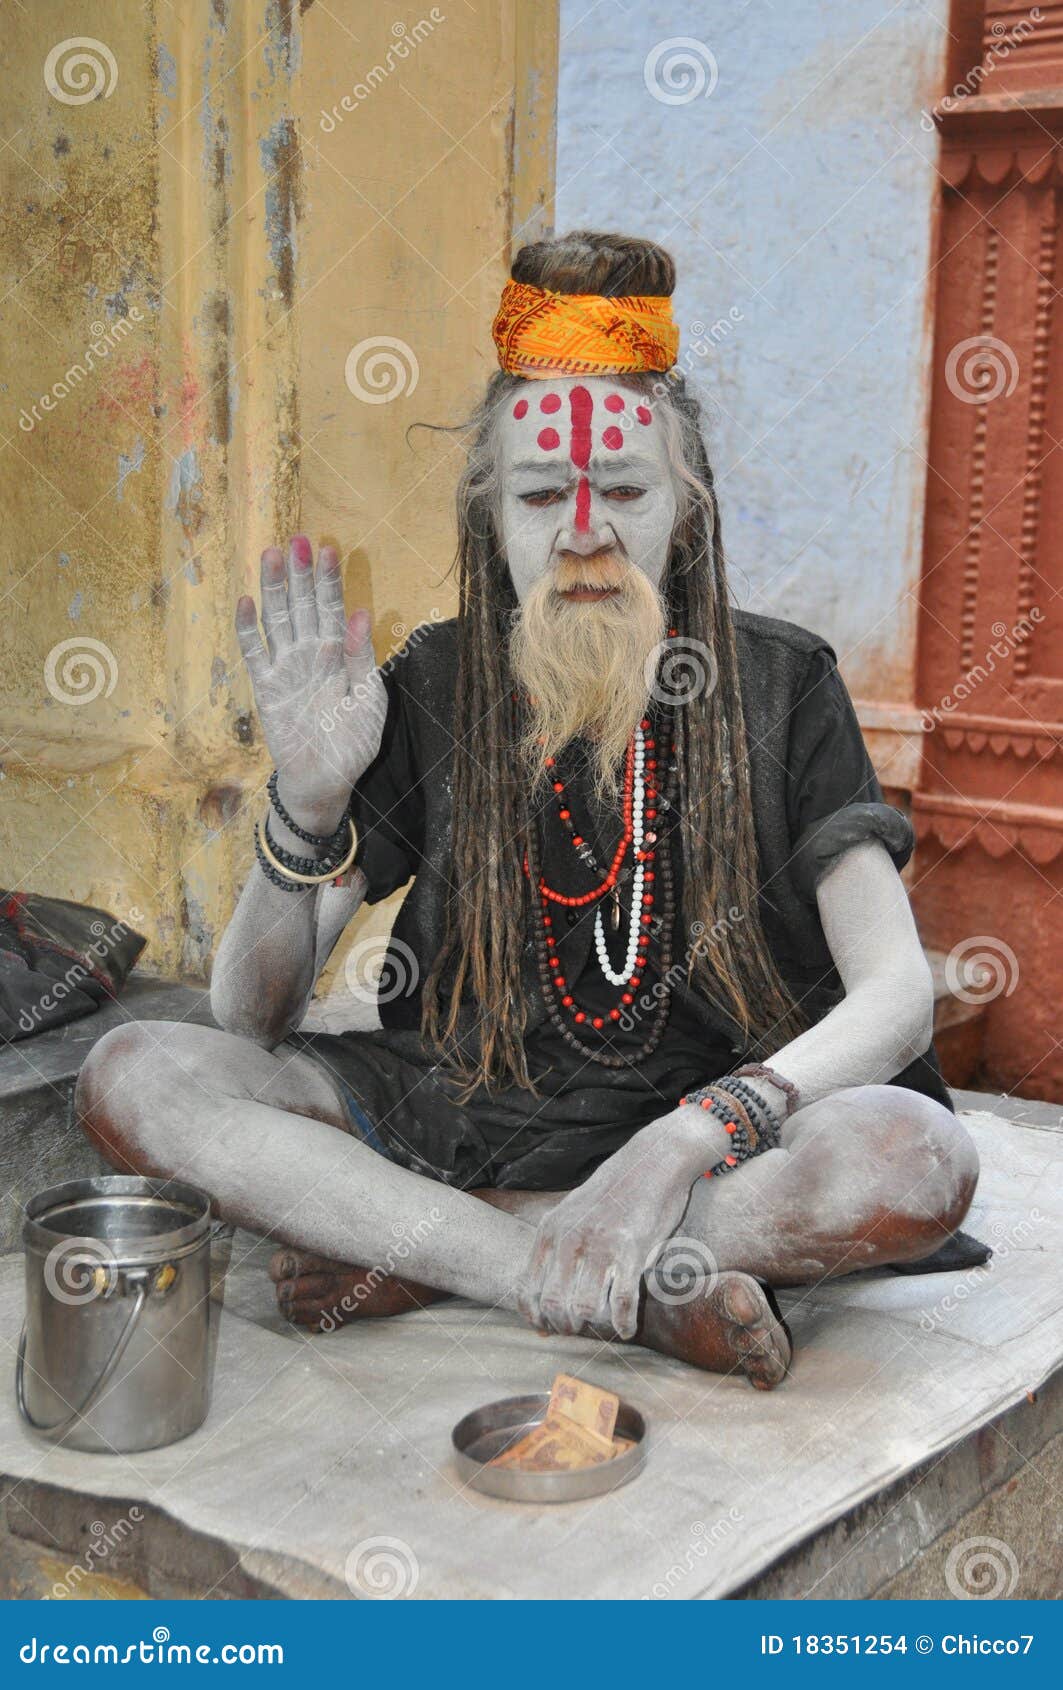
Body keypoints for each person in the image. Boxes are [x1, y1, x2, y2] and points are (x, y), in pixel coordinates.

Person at [76, 232, 980, 1391]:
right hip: (462, 1111)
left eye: (627, 492)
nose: (583, 529)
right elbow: (251, 1015)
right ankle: (564, 1275)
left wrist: (681, 1141)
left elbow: (895, 994)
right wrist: (305, 802)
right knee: (138, 1069)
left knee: (909, 1156)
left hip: (712, 1140)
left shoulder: (781, 684)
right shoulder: (431, 681)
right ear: (489, 516)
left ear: (685, 510)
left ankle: (422, 1248)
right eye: (542, 493)